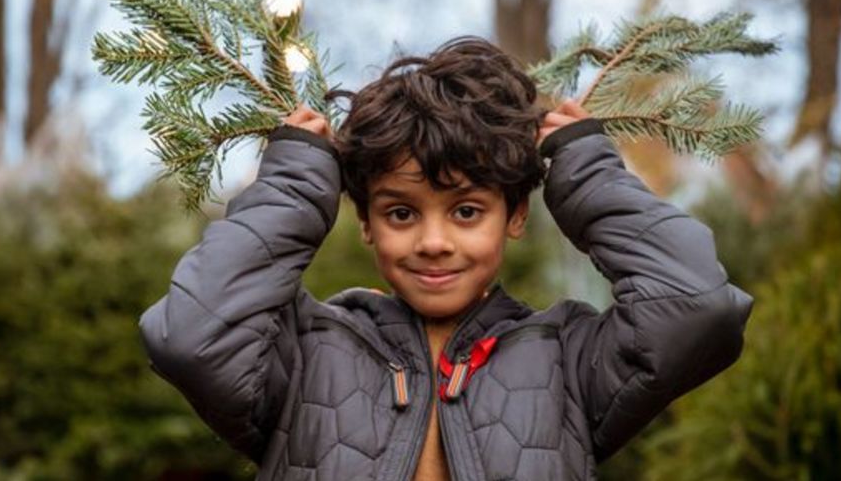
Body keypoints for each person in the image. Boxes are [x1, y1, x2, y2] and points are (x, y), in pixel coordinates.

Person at [139, 36, 753, 480]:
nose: (433, 241)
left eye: (466, 211)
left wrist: (587, 173)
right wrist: (296, 185)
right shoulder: (302, 352)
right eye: (401, 213)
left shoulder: (568, 361)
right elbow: (191, 336)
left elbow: (697, 308)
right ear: (366, 223)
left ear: (515, 215)